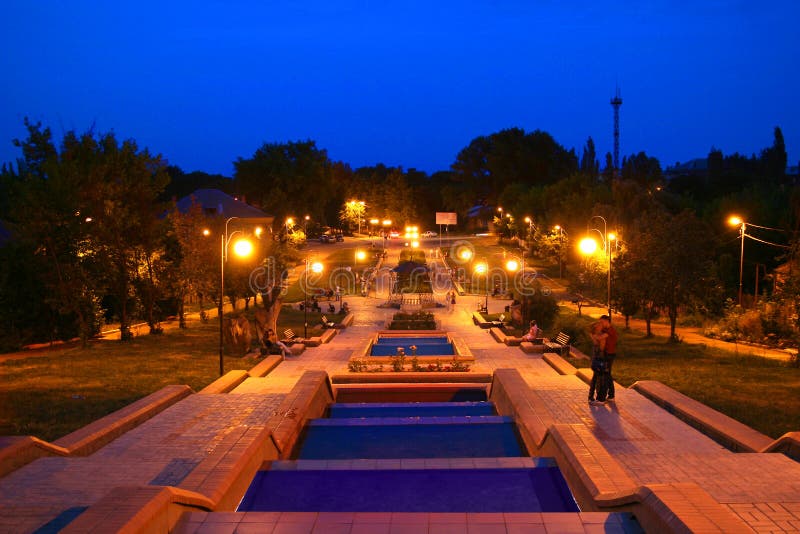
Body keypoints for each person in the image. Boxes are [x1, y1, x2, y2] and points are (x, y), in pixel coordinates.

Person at [588, 319, 608, 404]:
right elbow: (603, 337)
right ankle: (598, 398)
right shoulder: (597, 336)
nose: (601, 326)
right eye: (599, 325)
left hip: (597, 359)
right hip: (598, 359)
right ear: (596, 328)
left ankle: (592, 397)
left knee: (595, 378)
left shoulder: (595, 335)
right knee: (598, 378)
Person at [599, 315, 618, 401]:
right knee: (608, 375)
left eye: (602, 322)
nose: (601, 324)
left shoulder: (611, 331)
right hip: (606, 354)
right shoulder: (605, 330)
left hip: (609, 355)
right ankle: (611, 396)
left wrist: (593, 334)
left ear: (607, 321)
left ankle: (601, 399)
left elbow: (600, 338)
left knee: (605, 377)